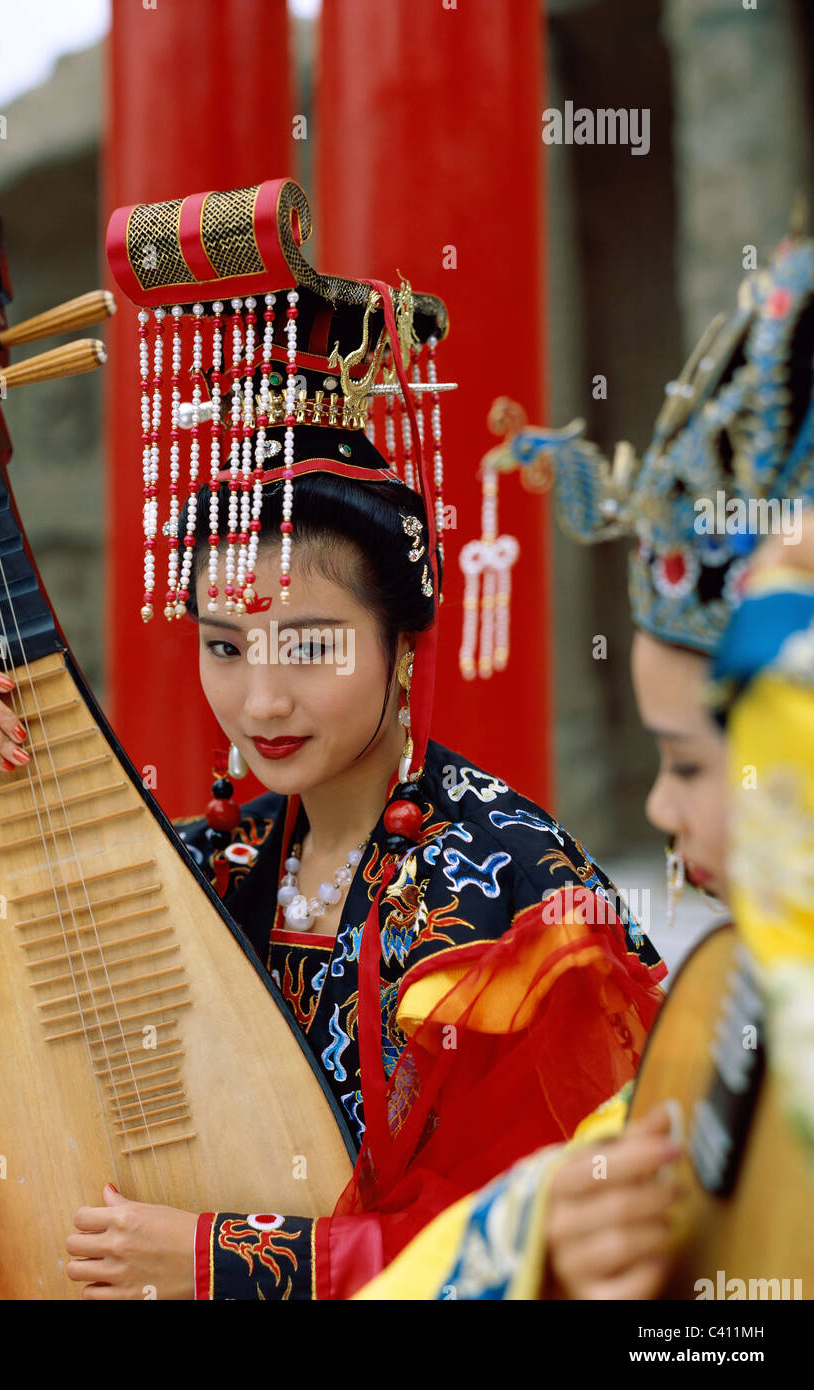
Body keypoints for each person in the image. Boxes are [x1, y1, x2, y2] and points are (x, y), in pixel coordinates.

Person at [0, 180, 666, 1300]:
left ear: (400, 642)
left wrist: (220, 1260)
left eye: (310, 645)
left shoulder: (510, 899)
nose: (260, 699)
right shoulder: (214, 864)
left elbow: (549, 1240)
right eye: (223, 645)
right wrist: (15, 805)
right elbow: (38, 1105)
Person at [353, 225, 814, 1299]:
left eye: (691, 764)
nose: (657, 803)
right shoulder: (733, 1000)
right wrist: (547, 1239)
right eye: (223, 642)